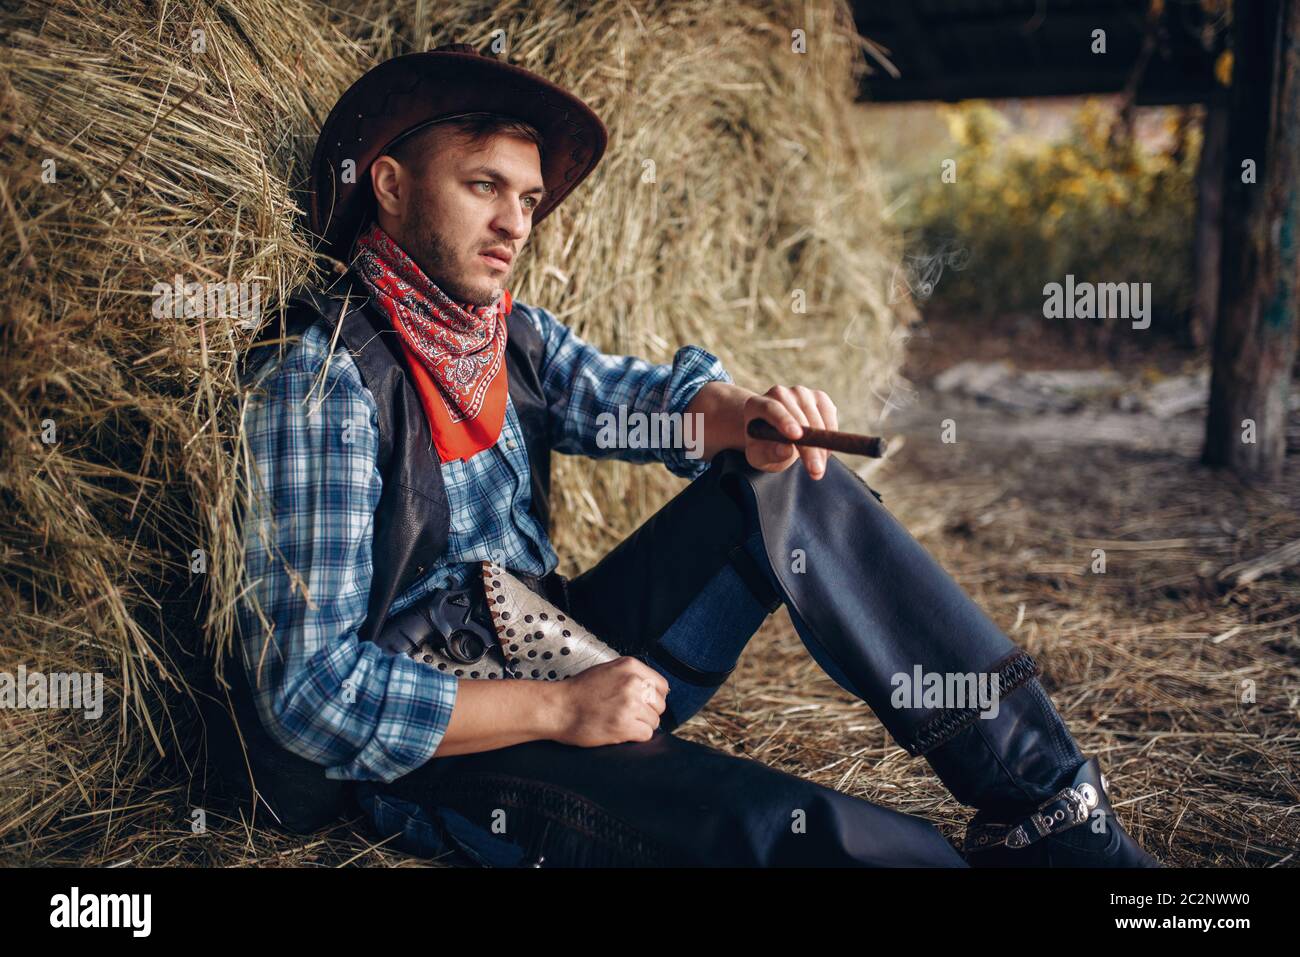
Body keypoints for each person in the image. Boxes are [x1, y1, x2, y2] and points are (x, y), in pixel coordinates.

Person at [229, 43, 1159, 867]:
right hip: (444, 750)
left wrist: (745, 415)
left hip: (557, 645)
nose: (515, 222)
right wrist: (562, 712)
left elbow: (642, 403)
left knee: (786, 475)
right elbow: (309, 693)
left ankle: (1050, 809)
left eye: (527, 198)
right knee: (799, 834)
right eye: (482, 186)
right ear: (388, 185)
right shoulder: (322, 381)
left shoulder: (503, 337)